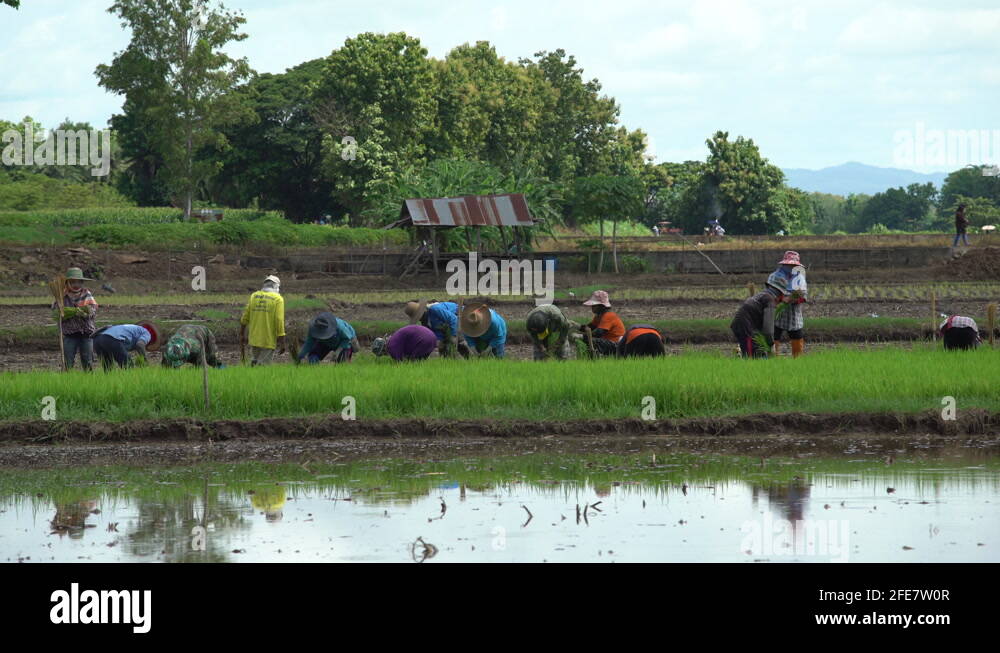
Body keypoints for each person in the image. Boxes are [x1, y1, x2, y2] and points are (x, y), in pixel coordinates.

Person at [53, 267, 98, 370]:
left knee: (87, 361)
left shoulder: (86, 294)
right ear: (67, 283)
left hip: (86, 333)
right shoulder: (61, 296)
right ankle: (67, 379)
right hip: (70, 334)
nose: (76, 285)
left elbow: (93, 310)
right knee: (68, 362)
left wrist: (84, 313)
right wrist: (61, 313)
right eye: (73, 282)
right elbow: (56, 312)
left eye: (79, 282)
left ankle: (89, 380)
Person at [730, 279, 783, 358]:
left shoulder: (762, 295)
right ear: (780, 294)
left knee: (755, 355)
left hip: (743, 326)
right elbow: (768, 330)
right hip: (746, 329)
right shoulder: (770, 301)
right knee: (752, 359)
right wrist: (771, 345)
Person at [240, 275, 285, 366]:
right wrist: (282, 341)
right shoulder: (277, 299)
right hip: (268, 339)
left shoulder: (254, 296)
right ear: (276, 286)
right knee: (263, 367)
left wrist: (241, 333)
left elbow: (245, 317)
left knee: (253, 363)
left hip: (254, 338)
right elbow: (279, 320)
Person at [771, 251, 808, 358]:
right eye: (789, 265)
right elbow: (769, 294)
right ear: (784, 264)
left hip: (794, 315)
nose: (791, 267)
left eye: (793, 265)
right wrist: (781, 299)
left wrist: (792, 299)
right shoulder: (774, 277)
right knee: (774, 337)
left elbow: (804, 296)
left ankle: (798, 362)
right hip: (777, 314)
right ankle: (772, 360)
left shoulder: (800, 278)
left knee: (797, 337)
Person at [93, 322, 159, 370]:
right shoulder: (147, 333)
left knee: (108, 369)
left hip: (97, 340)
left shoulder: (132, 328)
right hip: (112, 339)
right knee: (128, 366)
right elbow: (140, 345)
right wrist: (144, 360)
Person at [580, 290, 625, 356]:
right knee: (589, 340)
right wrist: (575, 326)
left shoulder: (609, 315)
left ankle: (598, 355)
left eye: (594, 305)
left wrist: (580, 336)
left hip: (617, 345)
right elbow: (589, 327)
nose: (592, 307)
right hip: (608, 342)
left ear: (601, 306)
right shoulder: (598, 316)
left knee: (593, 341)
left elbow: (598, 333)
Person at [372, 324, 438, 362]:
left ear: (383, 349)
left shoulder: (391, 347)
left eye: (382, 354)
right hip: (432, 337)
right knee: (420, 362)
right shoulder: (394, 339)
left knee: (413, 364)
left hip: (423, 340)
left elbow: (400, 363)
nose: (385, 355)